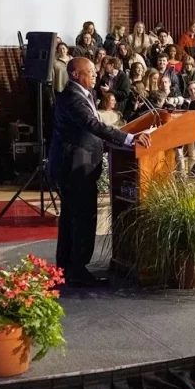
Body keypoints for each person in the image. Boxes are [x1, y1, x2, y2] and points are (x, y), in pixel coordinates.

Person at [49, 57, 151, 286]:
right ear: (75, 74)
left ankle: (66, 266)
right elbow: (93, 126)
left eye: (95, 71)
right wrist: (129, 138)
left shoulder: (83, 94)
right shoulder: (73, 97)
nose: (95, 75)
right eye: (91, 72)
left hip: (77, 166)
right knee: (82, 218)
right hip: (75, 168)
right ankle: (77, 270)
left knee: (71, 218)